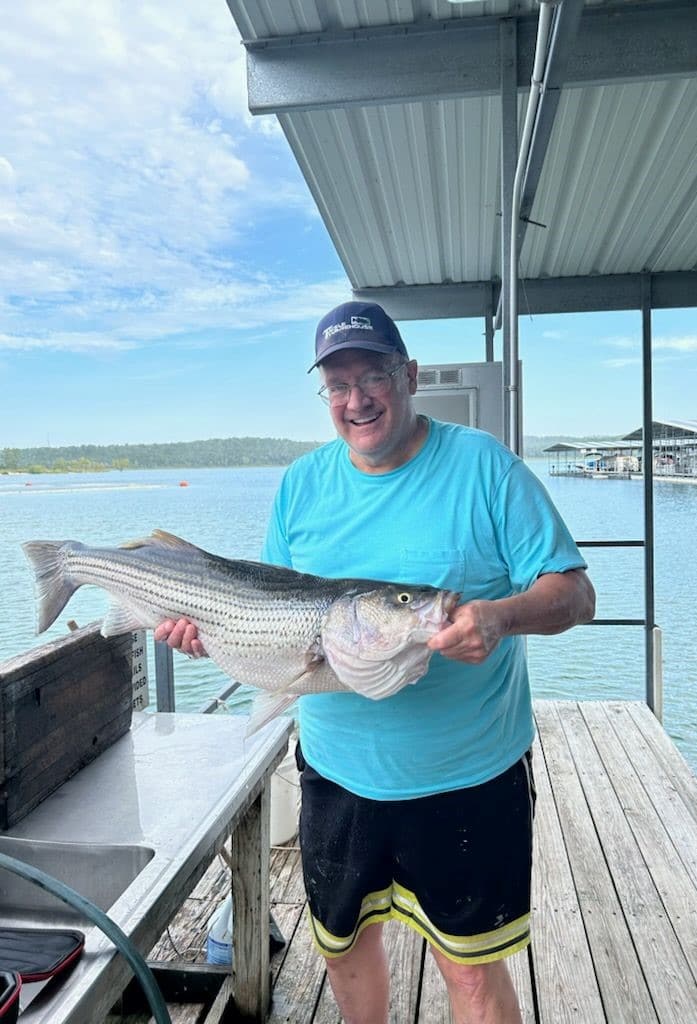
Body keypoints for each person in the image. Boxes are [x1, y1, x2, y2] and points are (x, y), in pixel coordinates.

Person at [156, 300, 595, 1024]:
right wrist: (204, 630)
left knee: (473, 974)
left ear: (410, 375)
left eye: (374, 376)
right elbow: (267, 610)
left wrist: (501, 616)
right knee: (342, 949)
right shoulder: (301, 484)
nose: (356, 399)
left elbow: (575, 593)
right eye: (337, 385)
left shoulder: (484, 467)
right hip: (336, 775)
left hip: (468, 779)